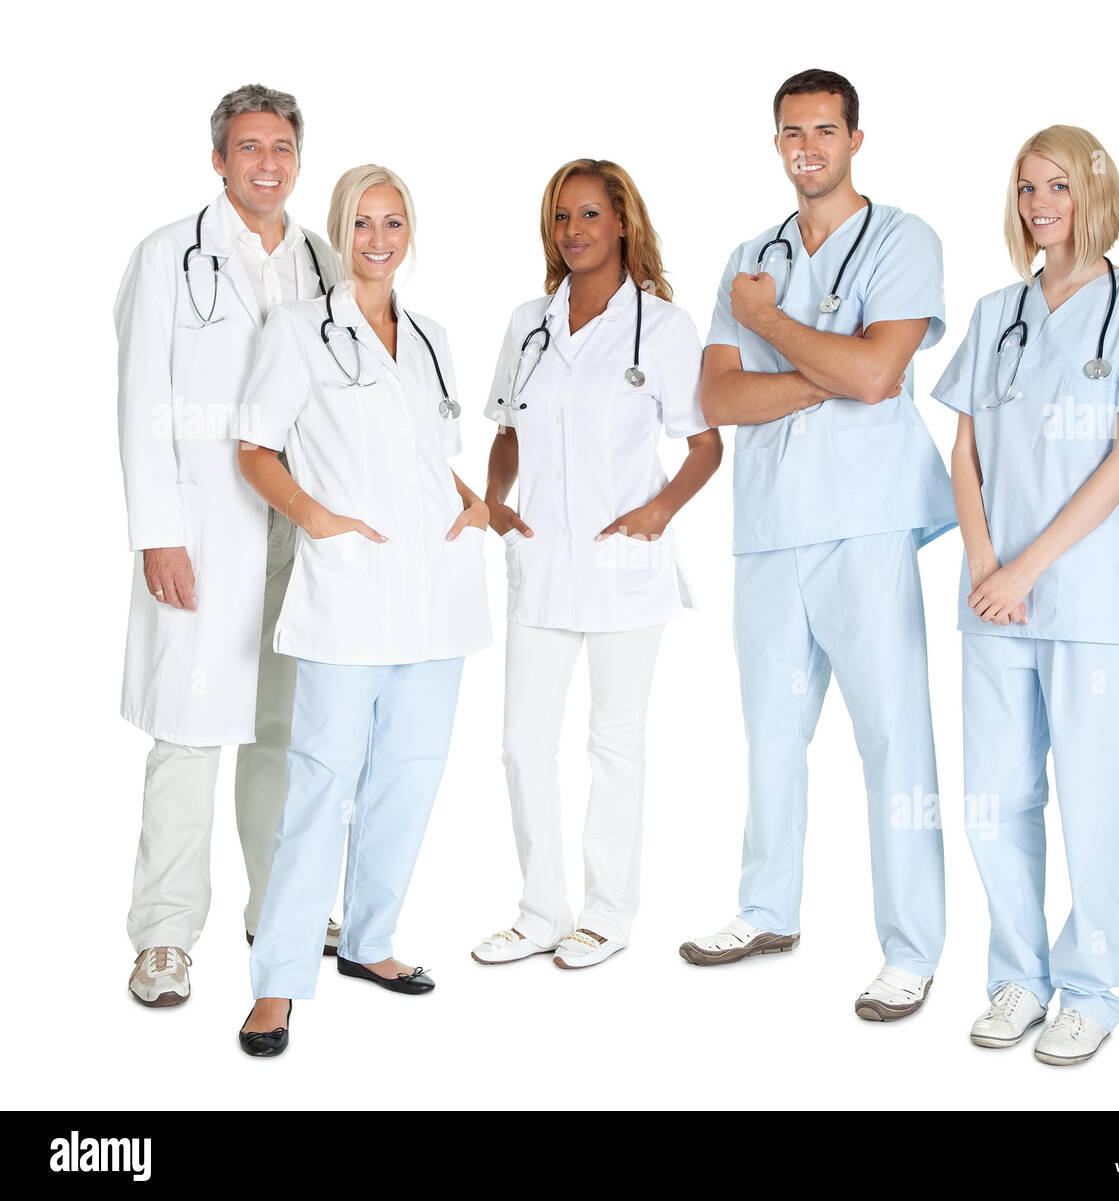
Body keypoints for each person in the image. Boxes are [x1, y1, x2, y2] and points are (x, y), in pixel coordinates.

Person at [678, 68, 955, 1023]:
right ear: (777, 142)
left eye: (826, 130)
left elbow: (882, 372)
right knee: (770, 734)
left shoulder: (903, 240)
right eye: (793, 131)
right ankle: (766, 909)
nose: (809, 147)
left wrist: (769, 329)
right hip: (767, 530)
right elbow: (717, 399)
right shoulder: (749, 254)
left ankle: (911, 948)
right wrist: (827, 368)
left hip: (864, 523)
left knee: (893, 738)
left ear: (856, 139)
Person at [932, 126, 1119, 1065]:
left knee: (1093, 794)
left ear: (1094, 192)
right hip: (994, 596)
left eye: (1057, 185)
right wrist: (981, 564)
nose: (1039, 203)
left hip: (1094, 597)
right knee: (995, 797)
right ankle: (1016, 976)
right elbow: (963, 447)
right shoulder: (996, 311)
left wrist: (1025, 568)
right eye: (1024, 188)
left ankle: (1089, 988)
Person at [234, 165, 491, 1056]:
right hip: (349, 593)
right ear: (339, 232)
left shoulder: (432, 338)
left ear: (409, 231)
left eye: (394, 222)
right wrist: (316, 519)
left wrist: (473, 501)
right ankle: (278, 982)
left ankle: (372, 941)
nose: (378, 238)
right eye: (361, 222)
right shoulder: (298, 330)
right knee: (321, 781)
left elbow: (431, 449)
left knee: (409, 774)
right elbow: (256, 448)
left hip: (438, 591)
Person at [115, 84, 341, 1008]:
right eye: (249, 147)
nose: (267, 163)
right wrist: (158, 532)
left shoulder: (324, 258)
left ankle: (276, 911)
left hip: (298, 522)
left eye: (281, 146)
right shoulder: (170, 255)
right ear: (219, 160)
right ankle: (164, 936)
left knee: (282, 730)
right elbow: (140, 404)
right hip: (207, 531)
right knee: (192, 731)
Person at [471, 159, 721, 971]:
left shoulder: (665, 326)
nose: (572, 232)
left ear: (622, 223)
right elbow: (506, 431)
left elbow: (705, 444)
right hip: (541, 560)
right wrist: (494, 496)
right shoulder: (528, 323)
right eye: (560, 219)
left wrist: (661, 509)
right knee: (521, 742)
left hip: (624, 562)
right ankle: (541, 907)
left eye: (587, 215)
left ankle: (606, 911)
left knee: (615, 745)